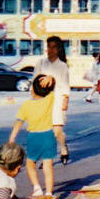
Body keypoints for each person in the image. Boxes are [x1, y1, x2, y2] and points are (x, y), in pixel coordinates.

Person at [8, 74, 57, 197]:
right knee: (48, 167)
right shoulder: (50, 99)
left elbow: (19, 122)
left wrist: (12, 138)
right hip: (48, 135)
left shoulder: (26, 105)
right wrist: (50, 78)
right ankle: (49, 194)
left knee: (30, 164)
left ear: (33, 89)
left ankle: (37, 187)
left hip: (34, 137)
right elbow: (53, 86)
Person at [33, 36, 70, 164]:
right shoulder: (41, 63)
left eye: (54, 47)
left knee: (57, 131)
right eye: (49, 46)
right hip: (43, 100)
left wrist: (65, 100)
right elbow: (34, 82)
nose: (50, 50)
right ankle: (47, 157)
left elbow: (65, 84)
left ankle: (63, 147)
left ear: (58, 49)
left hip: (58, 99)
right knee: (45, 130)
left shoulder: (63, 66)